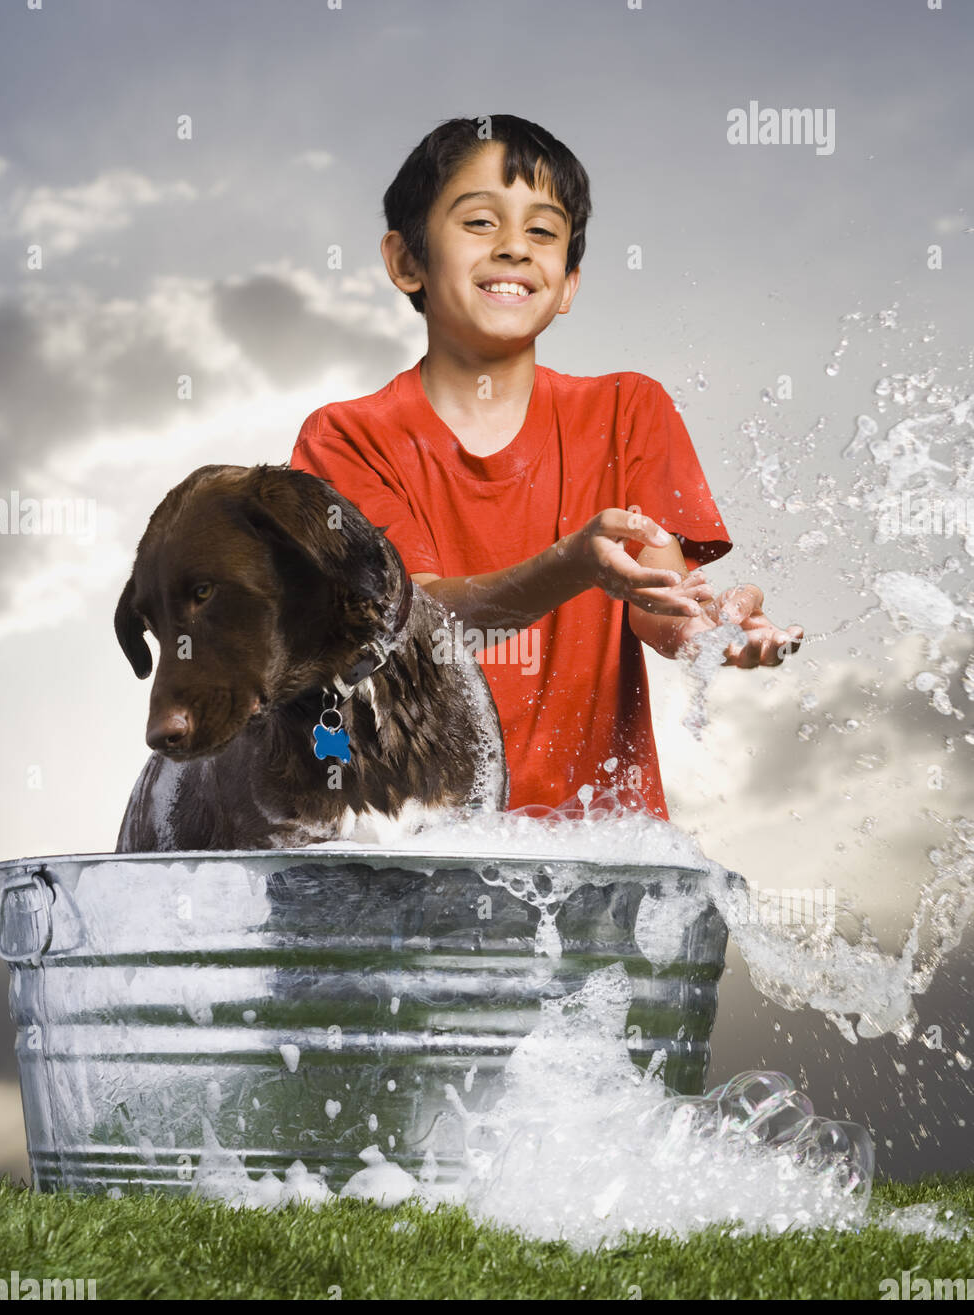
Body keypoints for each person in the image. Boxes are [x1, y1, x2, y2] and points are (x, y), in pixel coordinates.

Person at [290, 115, 803, 818]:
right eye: (478, 222)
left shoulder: (628, 411)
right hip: (414, 845)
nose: (513, 248)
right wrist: (571, 564)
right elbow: (419, 626)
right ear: (406, 259)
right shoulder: (344, 439)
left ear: (566, 284)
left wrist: (710, 628)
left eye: (542, 232)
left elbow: (661, 601)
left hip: (597, 845)